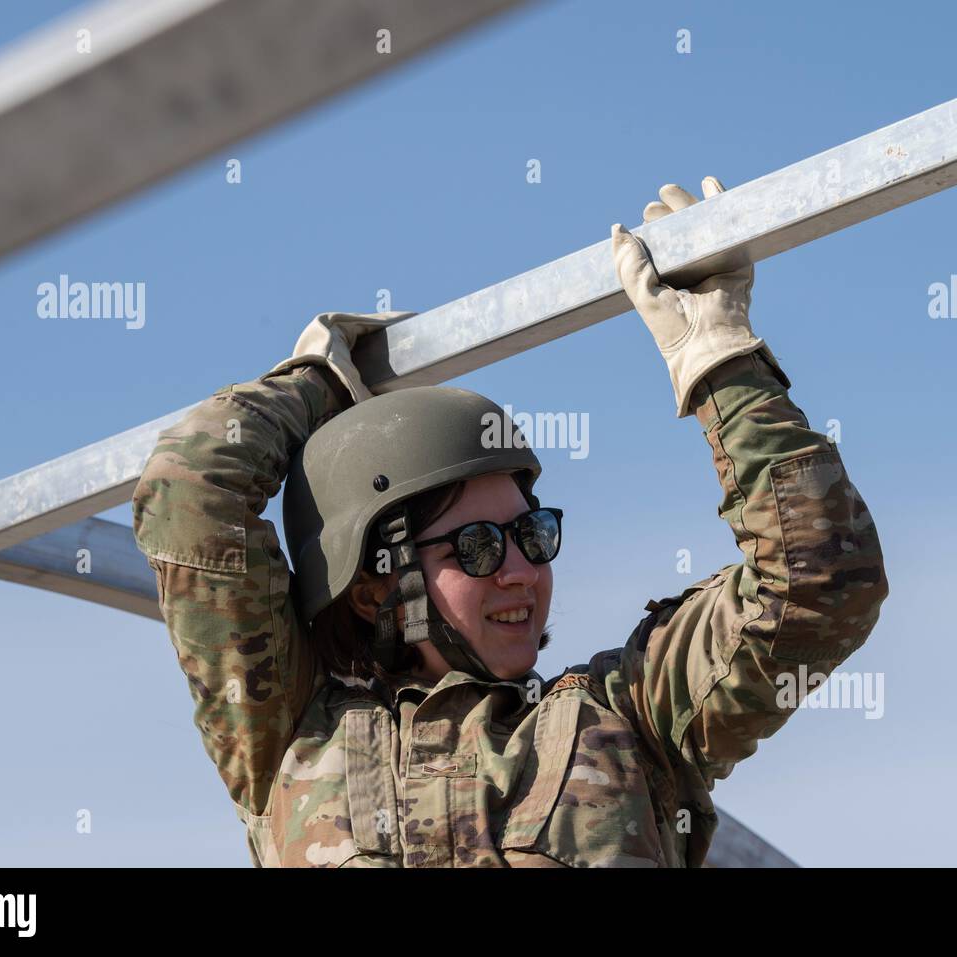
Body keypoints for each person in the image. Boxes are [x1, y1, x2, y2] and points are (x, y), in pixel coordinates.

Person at [131, 176, 888, 867]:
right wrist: (318, 386)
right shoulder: (290, 738)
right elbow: (190, 495)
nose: (522, 569)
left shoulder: (631, 720)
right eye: (479, 546)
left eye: (532, 534)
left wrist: (721, 363)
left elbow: (817, 583)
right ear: (374, 586)